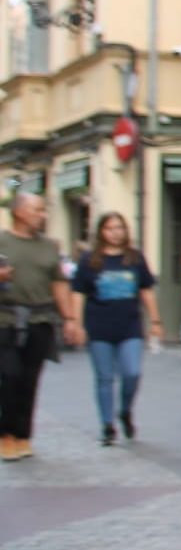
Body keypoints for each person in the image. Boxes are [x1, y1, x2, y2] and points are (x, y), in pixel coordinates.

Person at [0, 192, 82, 461]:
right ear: (19, 212)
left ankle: (23, 435)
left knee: (29, 380)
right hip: (6, 320)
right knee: (9, 377)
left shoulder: (50, 246)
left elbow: (59, 283)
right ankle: (6, 435)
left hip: (40, 321)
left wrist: (69, 319)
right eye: (37, 210)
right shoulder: (2, 241)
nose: (43, 215)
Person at [70, 212, 163, 445]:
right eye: (110, 228)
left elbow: (146, 291)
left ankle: (125, 411)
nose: (115, 232)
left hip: (130, 326)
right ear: (101, 232)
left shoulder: (135, 258)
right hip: (99, 326)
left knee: (132, 372)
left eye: (119, 227)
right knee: (105, 377)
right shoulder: (90, 260)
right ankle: (107, 425)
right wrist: (76, 323)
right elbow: (78, 294)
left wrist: (155, 321)